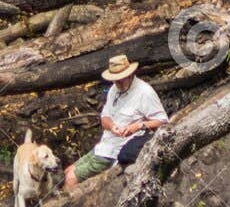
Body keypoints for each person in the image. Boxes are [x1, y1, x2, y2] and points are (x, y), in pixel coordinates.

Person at [64, 53, 168, 190]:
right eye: (115, 80)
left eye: (120, 79)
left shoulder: (145, 93)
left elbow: (162, 121)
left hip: (116, 151)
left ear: (130, 75)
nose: (117, 83)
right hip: (104, 145)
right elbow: (104, 119)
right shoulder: (114, 89)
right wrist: (112, 126)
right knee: (68, 171)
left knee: (72, 178)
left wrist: (138, 126)